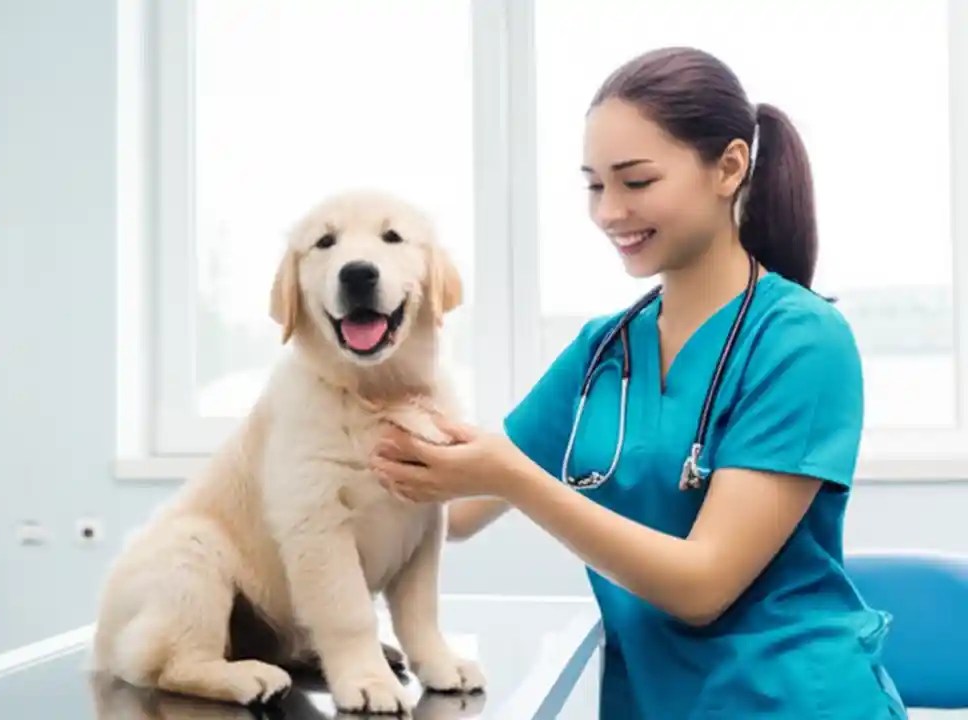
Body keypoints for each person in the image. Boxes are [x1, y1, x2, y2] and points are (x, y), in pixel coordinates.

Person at [370, 46, 907, 719]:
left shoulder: (801, 342)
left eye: (637, 181)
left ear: (730, 167)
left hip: (795, 702)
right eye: (595, 185)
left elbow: (702, 584)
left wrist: (515, 477)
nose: (609, 211)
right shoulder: (604, 353)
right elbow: (457, 507)